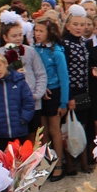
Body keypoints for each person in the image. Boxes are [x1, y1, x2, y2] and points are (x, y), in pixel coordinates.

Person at [33, 18, 69, 181]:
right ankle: (47, 163)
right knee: (44, 131)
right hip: (42, 93)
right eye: (36, 30)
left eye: (41, 31)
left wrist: (63, 102)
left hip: (54, 93)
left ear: (50, 32)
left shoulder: (57, 52)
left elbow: (64, 78)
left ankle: (60, 165)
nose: (37, 34)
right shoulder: (35, 49)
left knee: (55, 130)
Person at [0, 13, 47, 117]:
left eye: (20, 35)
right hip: (12, 102)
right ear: (5, 37)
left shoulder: (30, 51)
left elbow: (40, 74)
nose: (18, 38)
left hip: (32, 100)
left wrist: (37, 95)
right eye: (14, 36)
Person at [62, 5, 93, 173]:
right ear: (68, 26)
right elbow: (65, 71)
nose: (79, 28)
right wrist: (69, 96)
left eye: (82, 25)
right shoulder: (64, 44)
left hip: (84, 89)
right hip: (71, 91)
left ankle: (84, 161)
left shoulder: (83, 42)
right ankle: (70, 162)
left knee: (82, 126)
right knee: (68, 128)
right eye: (75, 24)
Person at [0, 54, 36, 150]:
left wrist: (24, 119)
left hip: (19, 129)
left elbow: (28, 102)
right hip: (1, 132)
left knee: (20, 157)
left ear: (5, 63)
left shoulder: (19, 80)